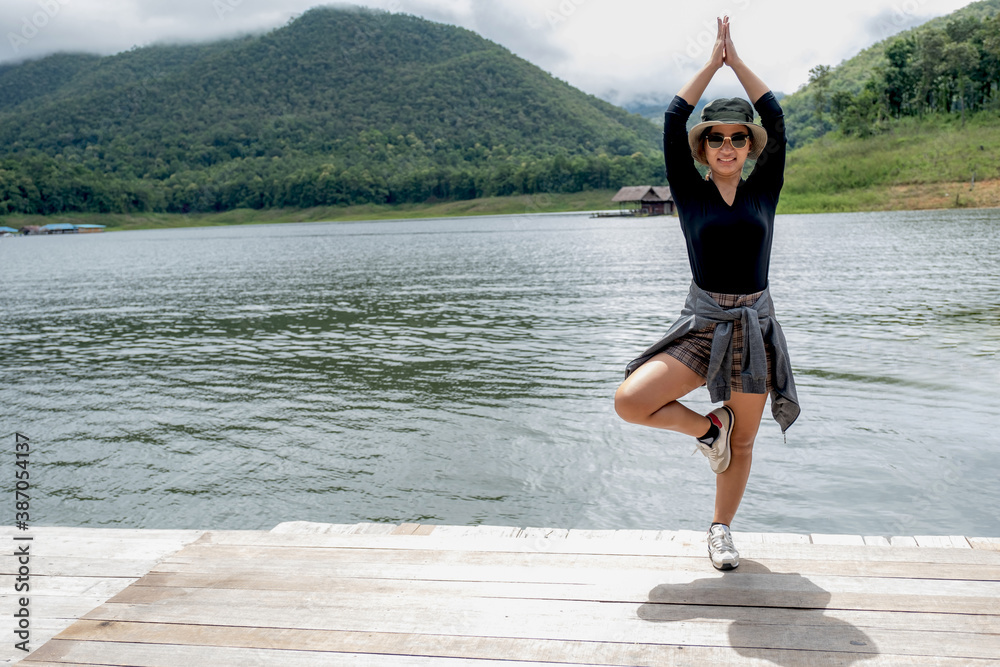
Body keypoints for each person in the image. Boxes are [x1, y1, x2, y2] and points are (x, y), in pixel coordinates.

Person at [613, 16, 800, 571]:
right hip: (701, 324)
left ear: (749, 147)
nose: (726, 144)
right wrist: (710, 63)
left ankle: (720, 531)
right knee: (630, 401)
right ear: (703, 147)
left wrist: (737, 63)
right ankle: (705, 426)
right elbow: (673, 118)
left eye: (737, 137)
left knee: (743, 444)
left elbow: (777, 117)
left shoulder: (765, 189)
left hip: (754, 327)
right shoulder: (688, 193)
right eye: (715, 137)